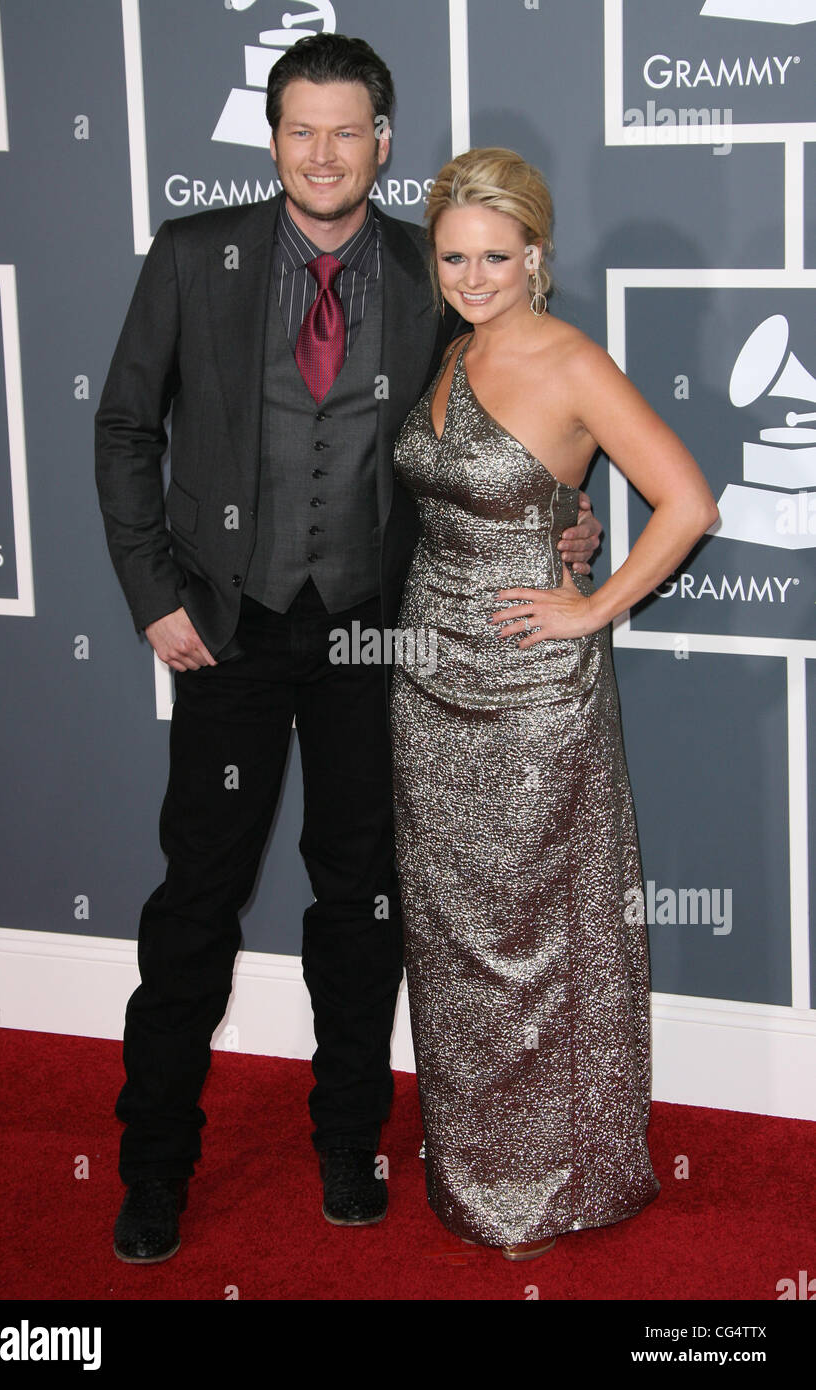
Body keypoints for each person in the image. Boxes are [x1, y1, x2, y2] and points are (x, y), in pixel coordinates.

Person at [94, 40, 602, 1264]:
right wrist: (152, 591)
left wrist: (565, 521)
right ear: (270, 139)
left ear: (385, 141)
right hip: (225, 630)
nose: (322, 154)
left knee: (359, 899)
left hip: (377, 637)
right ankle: (153, 1166)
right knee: (193, 905)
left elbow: (512, 416)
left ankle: (348, 1143)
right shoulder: (190, 260)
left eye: (348, 131)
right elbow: (123, 426)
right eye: (299, 131)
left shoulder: (433, 275)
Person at [390, 147, 719, 1261]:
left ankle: (554, 1180)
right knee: (446, 931)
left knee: (532, 931)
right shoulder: (454, 348)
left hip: (531, 691)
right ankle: (475, 1170)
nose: (473, 276)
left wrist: (592, 607)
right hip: (425, 682)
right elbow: (512, 489)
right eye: (452, 257)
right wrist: (566, 519)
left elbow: (685, 501)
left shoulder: (572, 359)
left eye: (494, 255)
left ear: (534, 254)